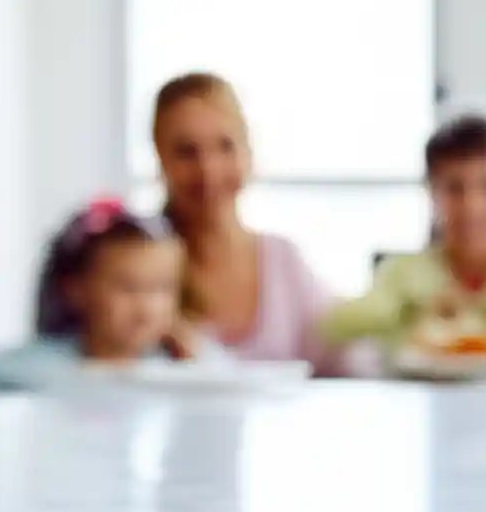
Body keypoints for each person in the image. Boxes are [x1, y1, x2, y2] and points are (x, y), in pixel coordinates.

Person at [152, 72, 355, 375]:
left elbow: (345, 355)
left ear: (248, 152)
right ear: (160, 158)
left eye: (225, 146)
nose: (208, 170)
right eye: (186, 152)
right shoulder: (137, 267)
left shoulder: (283, 260)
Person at [0, 200, 220, 394]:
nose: (146, 305)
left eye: (162, 288)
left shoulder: (185, 363)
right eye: (128, 287)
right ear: (76, 290)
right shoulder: (25, 373)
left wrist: (193, 363)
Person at [320, 115, 486, 354]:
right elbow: (332, 327)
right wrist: (399, 316)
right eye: (454, 188)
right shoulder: (403, 274)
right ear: (431, 194)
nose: (472, 206)